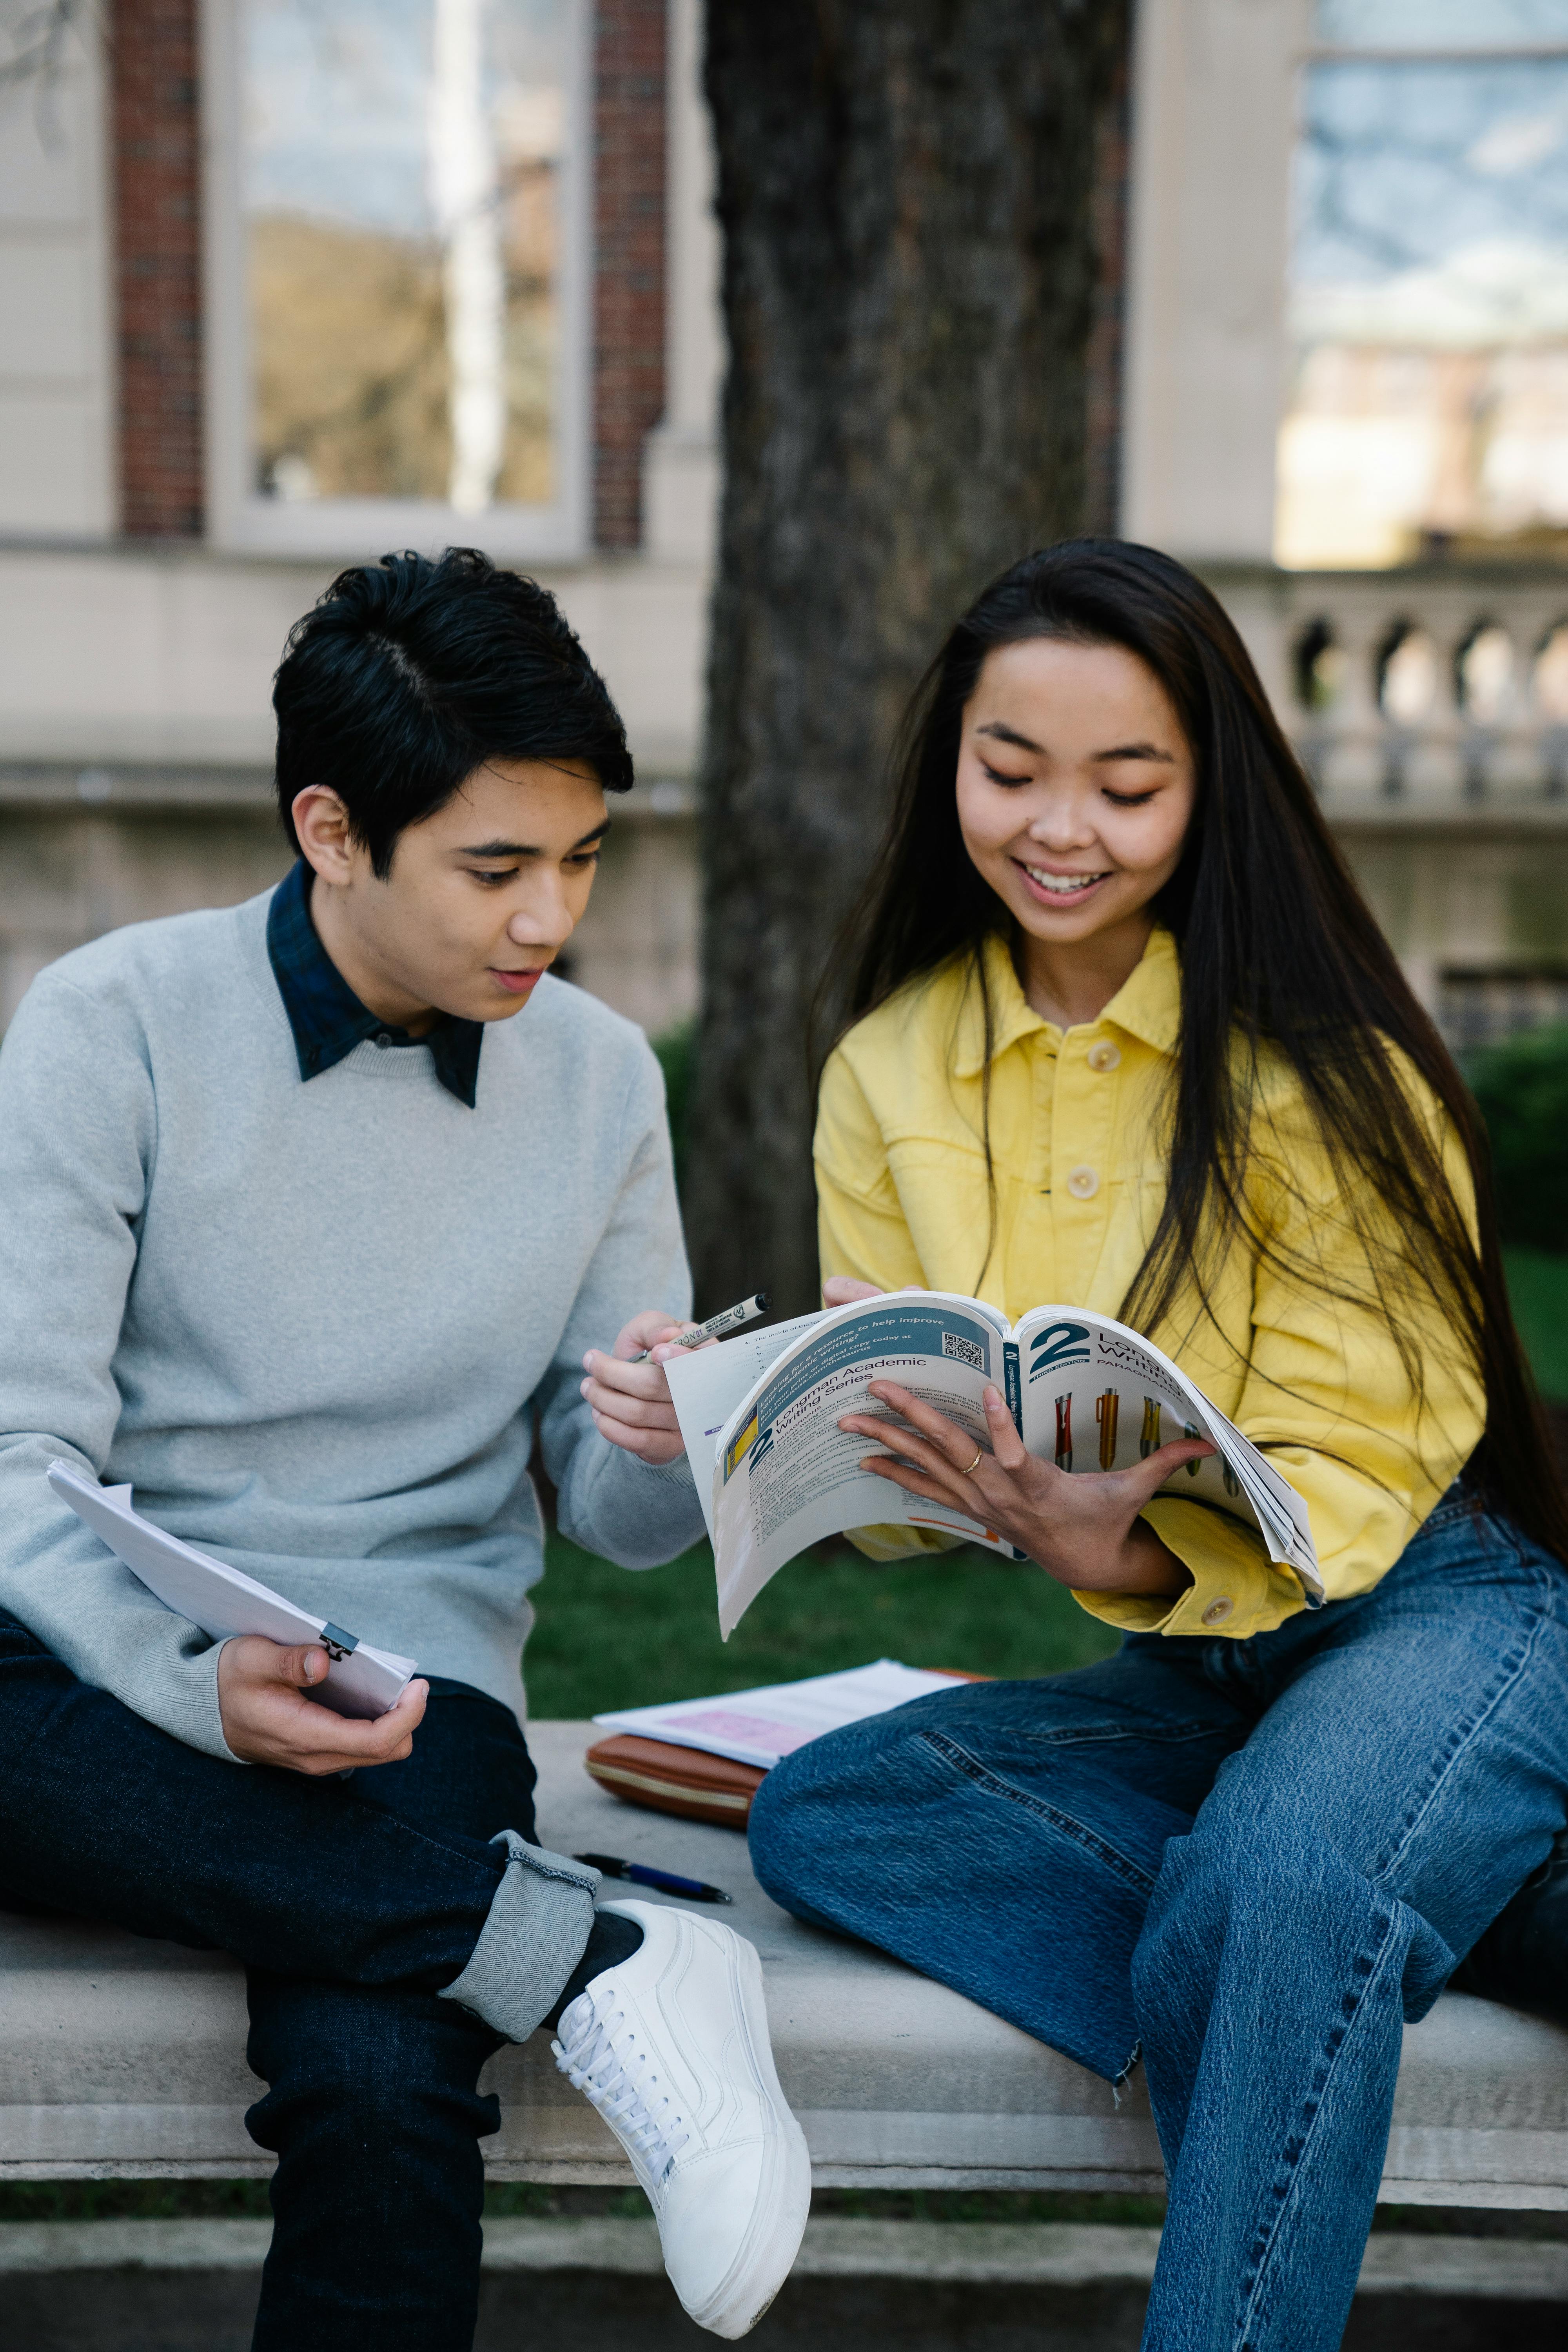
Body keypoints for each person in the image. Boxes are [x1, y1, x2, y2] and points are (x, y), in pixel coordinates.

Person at [739, 540, 1568, 2352]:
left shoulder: (1320, 1061)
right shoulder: (889, 1064)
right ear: (945, 760)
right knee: (837, 1812)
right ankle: (1403, 1904)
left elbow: (1364, 1461)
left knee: (1273, 1882)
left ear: (1209, 791)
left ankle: (1318, 1901)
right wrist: (782, 1434)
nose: (1060, 828)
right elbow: (895, 1483)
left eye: (1126, 786)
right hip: (1211, 1683)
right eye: (1008, 768)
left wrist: (1113, 1552)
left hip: (1436, 1607)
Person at [0, 550, 808, 2350]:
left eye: (583, 861)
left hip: (404, 1696)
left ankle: (509, 1931)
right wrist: (191, 1683)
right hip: (112, 1666)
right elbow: (17, 1447)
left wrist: (666, 1438)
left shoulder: (601, 1079)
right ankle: (591, 1958)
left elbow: (610, 1526)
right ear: (332, 830)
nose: (550, 922)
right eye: (498, 869)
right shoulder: (108, 1026)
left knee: (374, 2082)